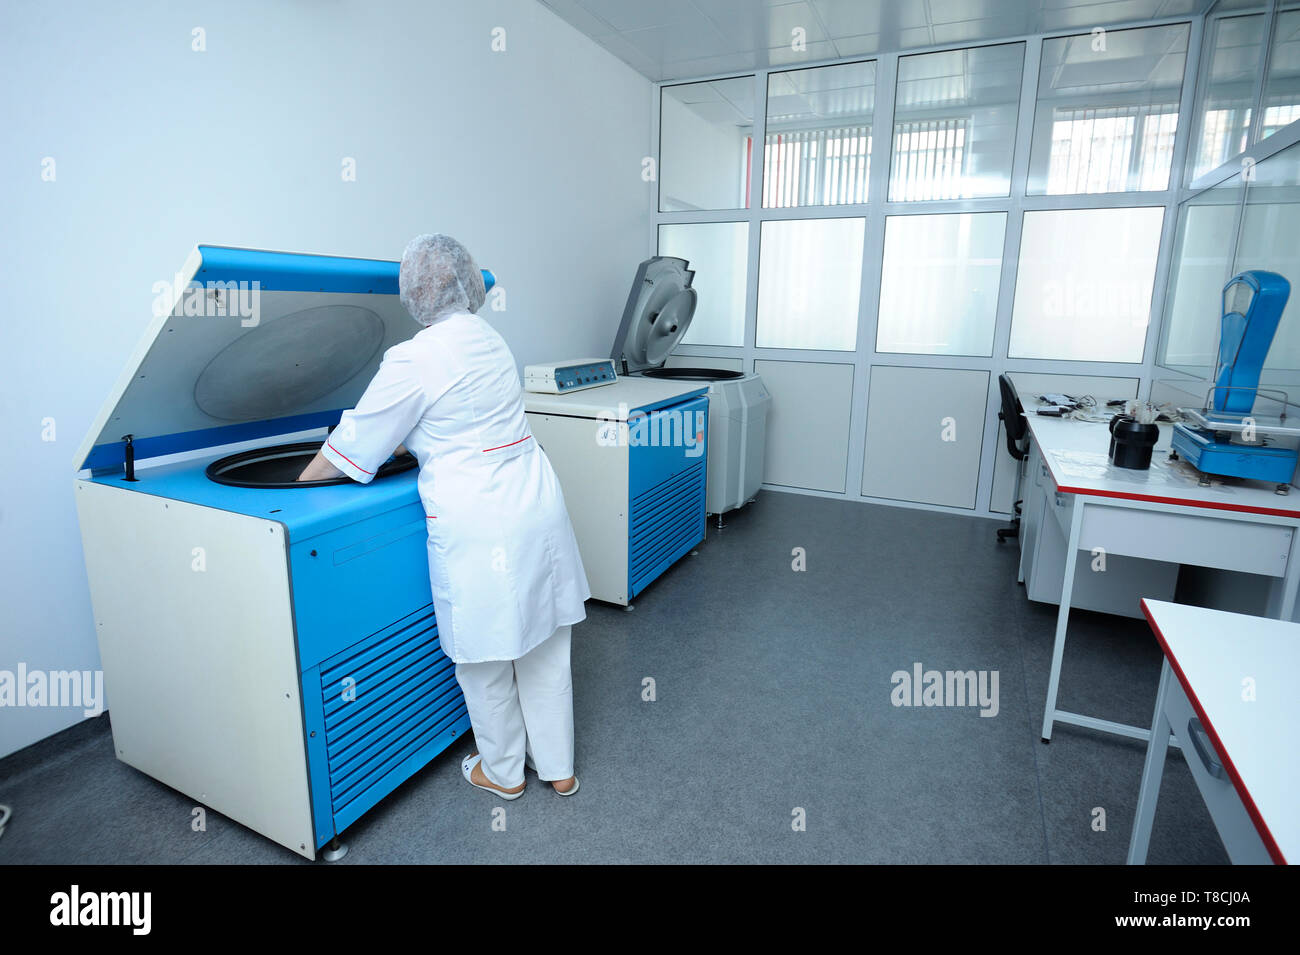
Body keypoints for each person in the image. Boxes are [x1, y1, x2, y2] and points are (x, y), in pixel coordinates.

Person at [297, 234, 590, 798]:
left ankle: (502, 773)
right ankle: (559, 768)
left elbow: (355, 443)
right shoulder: (490, 338)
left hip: (481, 516)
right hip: (534, 498)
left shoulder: (415, 356)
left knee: (483, 651)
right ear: (466, 282)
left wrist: (293, 484)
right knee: (545, 642)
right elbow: (458, 420)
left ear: (413, 294)